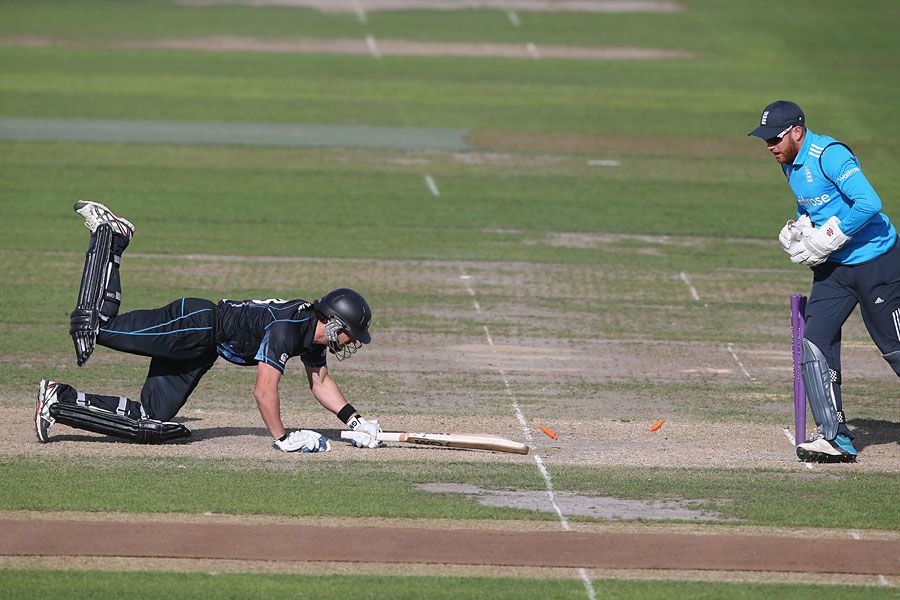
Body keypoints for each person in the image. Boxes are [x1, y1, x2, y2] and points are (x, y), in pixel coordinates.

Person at [34, 201, 383, 452]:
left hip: (203, 350)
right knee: (95, 326)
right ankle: (112, 236)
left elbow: (320, 382)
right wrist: (283, 438)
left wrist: (355, 421)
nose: (353, 341)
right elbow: (264, 391)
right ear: (335, 322)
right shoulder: (288, 328)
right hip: (194, 324)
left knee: (151, 419)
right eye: (352, 333)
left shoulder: (313, 336)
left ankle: (58, 399)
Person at [749, 100, 899, 463]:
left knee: (895, 349)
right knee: (814, 345)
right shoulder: (789, 164)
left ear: (797, 133)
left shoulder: (828, 154)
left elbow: (869, 202)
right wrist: (803, 228)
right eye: (766, 139)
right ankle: (836, 438)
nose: (770, 146)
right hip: (835, 271)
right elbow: (812, 207)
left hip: (877, 263)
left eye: (775, 139)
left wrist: (832, 235)